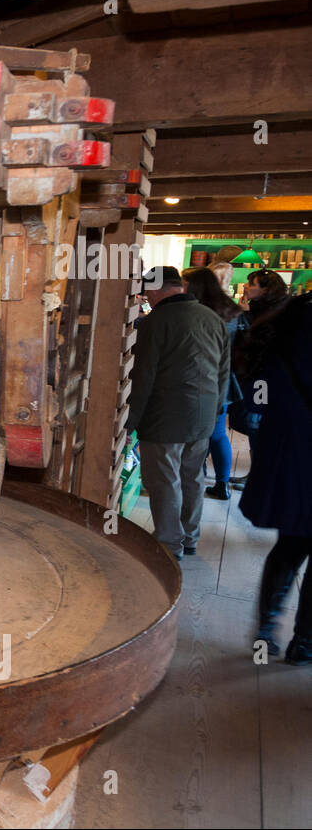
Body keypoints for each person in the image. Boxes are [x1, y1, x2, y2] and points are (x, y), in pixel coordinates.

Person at [128, 266, 230, 559]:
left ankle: (168, 543)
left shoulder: (155, 322)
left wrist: (129, 424)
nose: (147, 297)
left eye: (148, 291)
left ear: (157, 289)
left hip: (165, 416)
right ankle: (189, 537)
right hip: (204, 415)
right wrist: (215, 412)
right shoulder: (213, 318)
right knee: (192, 476)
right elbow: (224, 373)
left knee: (164, 479)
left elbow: (143, 377)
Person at [239, 291, 312, 664]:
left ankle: (265, 635)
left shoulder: (282, 330)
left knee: (289, 548)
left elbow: (257, 397)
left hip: (293, 457)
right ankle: (306, 643)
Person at [184, 267, 243, 499]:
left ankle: (201, 477)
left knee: (203, 434)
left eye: (186, 284)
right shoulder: (232, 310)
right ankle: (222, 483)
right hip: (226, 378)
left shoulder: (200, 314)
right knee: (217, 434)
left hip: (205, 379)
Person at [230, 269, 291, 490]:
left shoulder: (276, 314)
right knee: (251, 423)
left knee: (255, 423)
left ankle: (261, 479)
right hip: (256, 378)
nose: (246, 287)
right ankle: (259, 476)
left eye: (251, 284)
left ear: (265, 289)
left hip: (263, 380)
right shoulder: (261, 310)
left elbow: (268, 350)